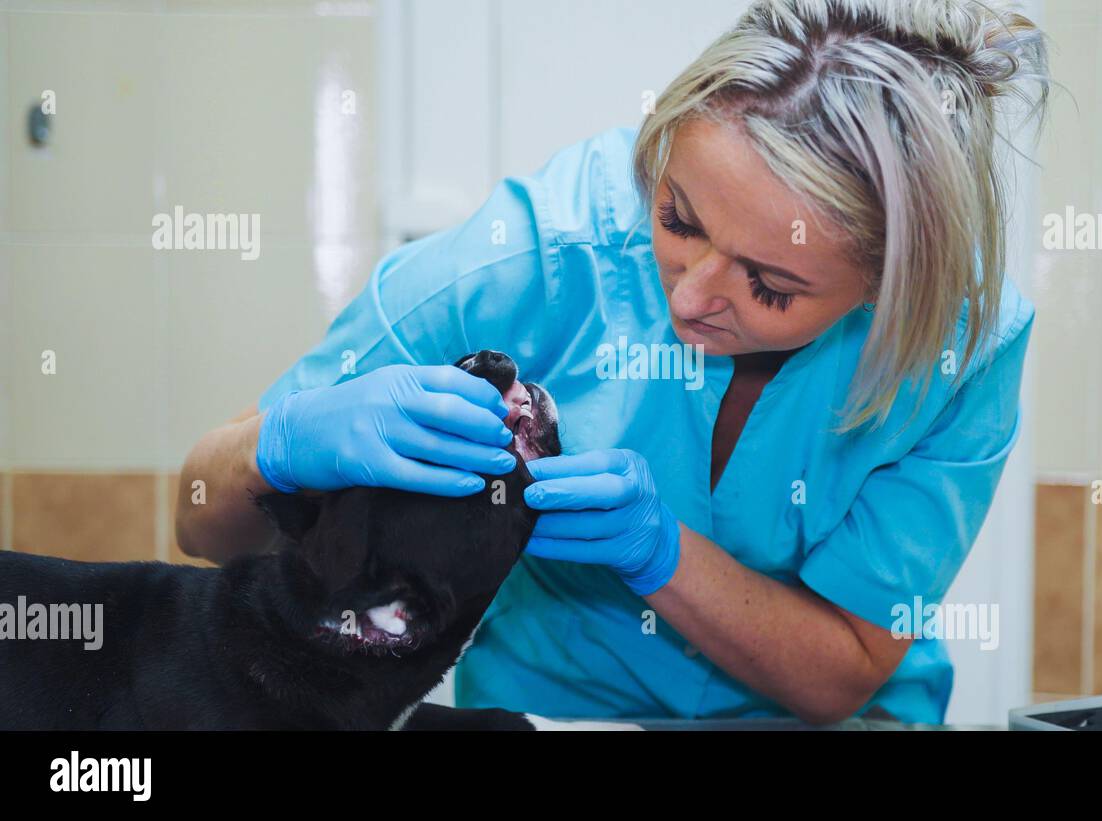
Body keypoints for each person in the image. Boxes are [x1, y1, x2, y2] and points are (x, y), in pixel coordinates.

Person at [177, 0, 1049, 725]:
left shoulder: (959, 341)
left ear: (885, 287)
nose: (692, 298)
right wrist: (281, 444)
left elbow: (845, 667)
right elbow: (197, 520)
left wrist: (662, 554)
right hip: (553, 714)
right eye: (678, 220)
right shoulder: (535, 254)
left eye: (769, 285)